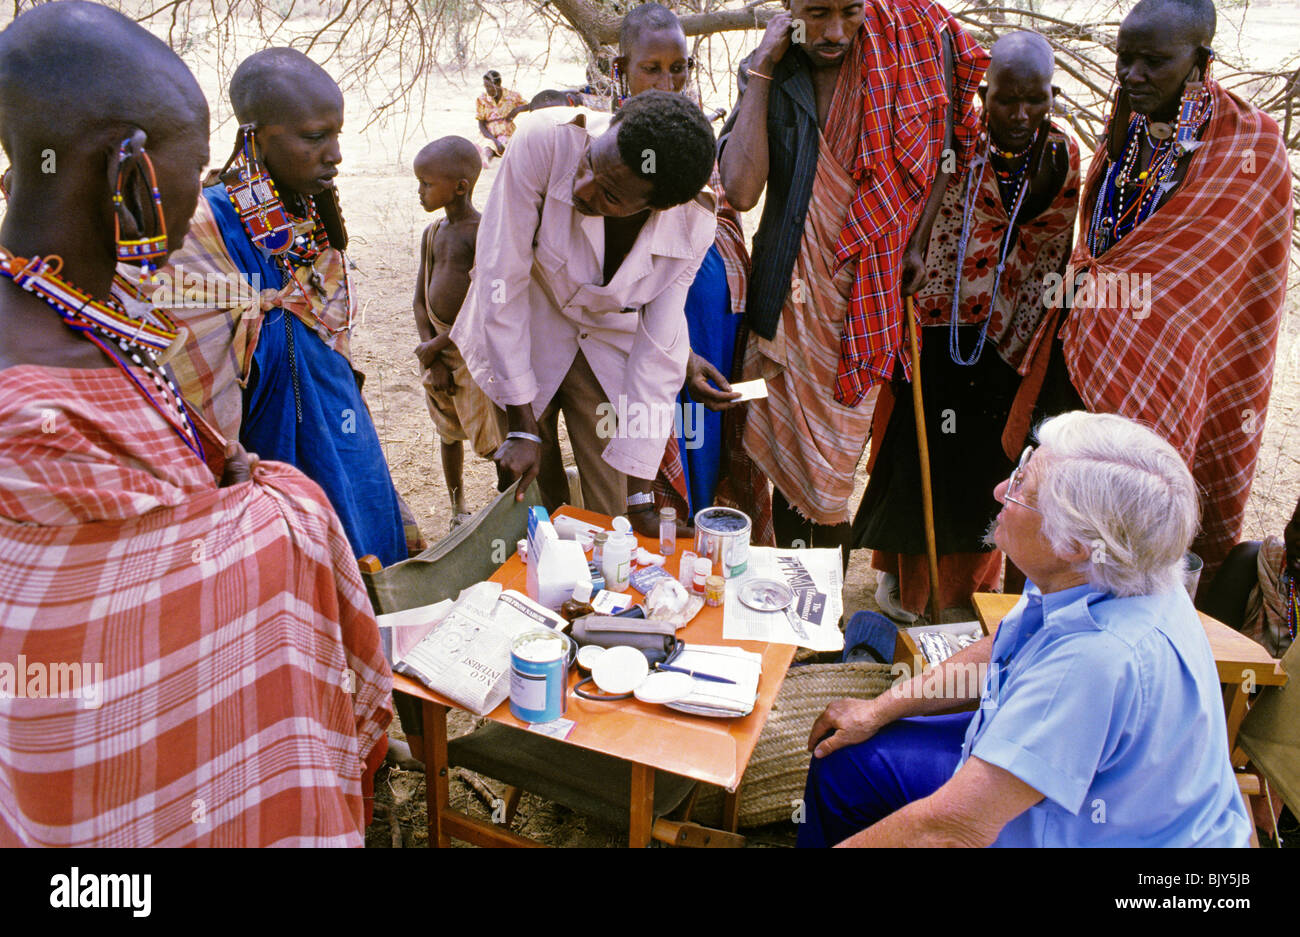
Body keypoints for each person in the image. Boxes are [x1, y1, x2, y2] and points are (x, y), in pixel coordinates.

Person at [0, 0, 391, 846]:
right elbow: (94, 600)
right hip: (86, 770)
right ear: (134, 172)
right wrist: (275, 509)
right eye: (195, 163)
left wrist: (227, 479)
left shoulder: (85, 311)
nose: (197, 187)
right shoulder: (39, 394)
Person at [800, 412, 1251, 847]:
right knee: (846, 761)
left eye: (1020, 488)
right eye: (1020, 470)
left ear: (1073, 543)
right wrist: (878, 709)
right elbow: (1005, 646)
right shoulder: (1111, 562)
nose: (999, 490)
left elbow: (952, 830)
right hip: (1089, 793)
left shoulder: (1094, 662)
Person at [719, 0, 988, 559]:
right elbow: (741, 191)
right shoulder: (775, 66)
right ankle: (797, 611)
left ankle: (828, 608)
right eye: (816, 13)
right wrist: (765, 65)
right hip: (788, 291)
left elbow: (943, 149)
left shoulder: (905, 48)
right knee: (789, 452)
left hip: (867, 294)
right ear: (790, 7)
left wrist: (918, 240)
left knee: (836, 465)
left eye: (849, 11)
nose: (836, 32)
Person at [1042, 0, 1292, 579]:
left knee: (1134, 511)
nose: (1133, 75)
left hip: (1171, 360)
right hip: (1087, 340)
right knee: (1061, 502)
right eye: (1124, 59)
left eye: (1153, 62)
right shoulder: (1129, 122)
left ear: (1201, 60)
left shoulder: (1248, 147)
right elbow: (1104, 235)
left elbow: (1239, 287)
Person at [153, 48, 413, 568]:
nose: (335, 153)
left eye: (337, 134)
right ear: (254, 137)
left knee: (366, 522)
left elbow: (327, 322)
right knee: (295, 552)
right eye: (315, 138)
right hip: (263, 429)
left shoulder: (306, 208)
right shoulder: (202, 223)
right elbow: (180, 350)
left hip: (337, 408)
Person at [854, 31, 1080, 621]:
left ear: (1050, 97)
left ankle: (965, 601)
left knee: (984, 471)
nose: (1021, 114)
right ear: (984, 94)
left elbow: (1051, 255)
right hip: (933, 334)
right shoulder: (953, 149)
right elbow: (920, 225)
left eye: (1035, 101)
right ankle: (904, 590)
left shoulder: (1062, 160)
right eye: (1007, 100)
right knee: (916, 457)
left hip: (1009, 347)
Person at [449, 90, 717, 540]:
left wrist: (641, 501)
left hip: (606, 338)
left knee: (610, 519)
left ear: (657, 206)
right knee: (532, 499)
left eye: (610, 194)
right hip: (521, 324)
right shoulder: (543, 140)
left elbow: (658, 355)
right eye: (590, 162)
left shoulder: (692, 224)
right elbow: (502, 277)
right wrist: (522, 426)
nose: (582, 188)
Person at [612, 2, 773, 542]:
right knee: (661, 428)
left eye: (678, 67)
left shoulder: (695, 130)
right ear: (621, 70)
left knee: (707, 430)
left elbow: (729, 205)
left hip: (717, 314)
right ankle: (668, 547)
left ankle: (705, 535)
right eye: (651, 68)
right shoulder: (612, 141)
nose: (667, 80)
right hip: (656, 322)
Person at [411, 136, 509, 526]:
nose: (419, 192)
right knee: (448, 432)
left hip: (474, 353)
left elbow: (483, 305)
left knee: (494, 440)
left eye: (426, 183)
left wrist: (438, 344)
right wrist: (429, 352)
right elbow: (420, 299)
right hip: (437, 352)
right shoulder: (432, 234)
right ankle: (457, 509)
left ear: (460, 187)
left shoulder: (482, 233)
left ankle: (507, 505)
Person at [477, 69, 528, 162]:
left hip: (506, 131)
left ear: (497, 85)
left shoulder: (511, 96)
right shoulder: (482, 99)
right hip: (488, 133)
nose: (487, 89)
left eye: (489, 86)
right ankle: (485, 158)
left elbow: (528, 106)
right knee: (488, 145)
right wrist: (494, 140)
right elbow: (481, 124)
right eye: (485, 86)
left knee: (506, 143)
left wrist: (516, 110)